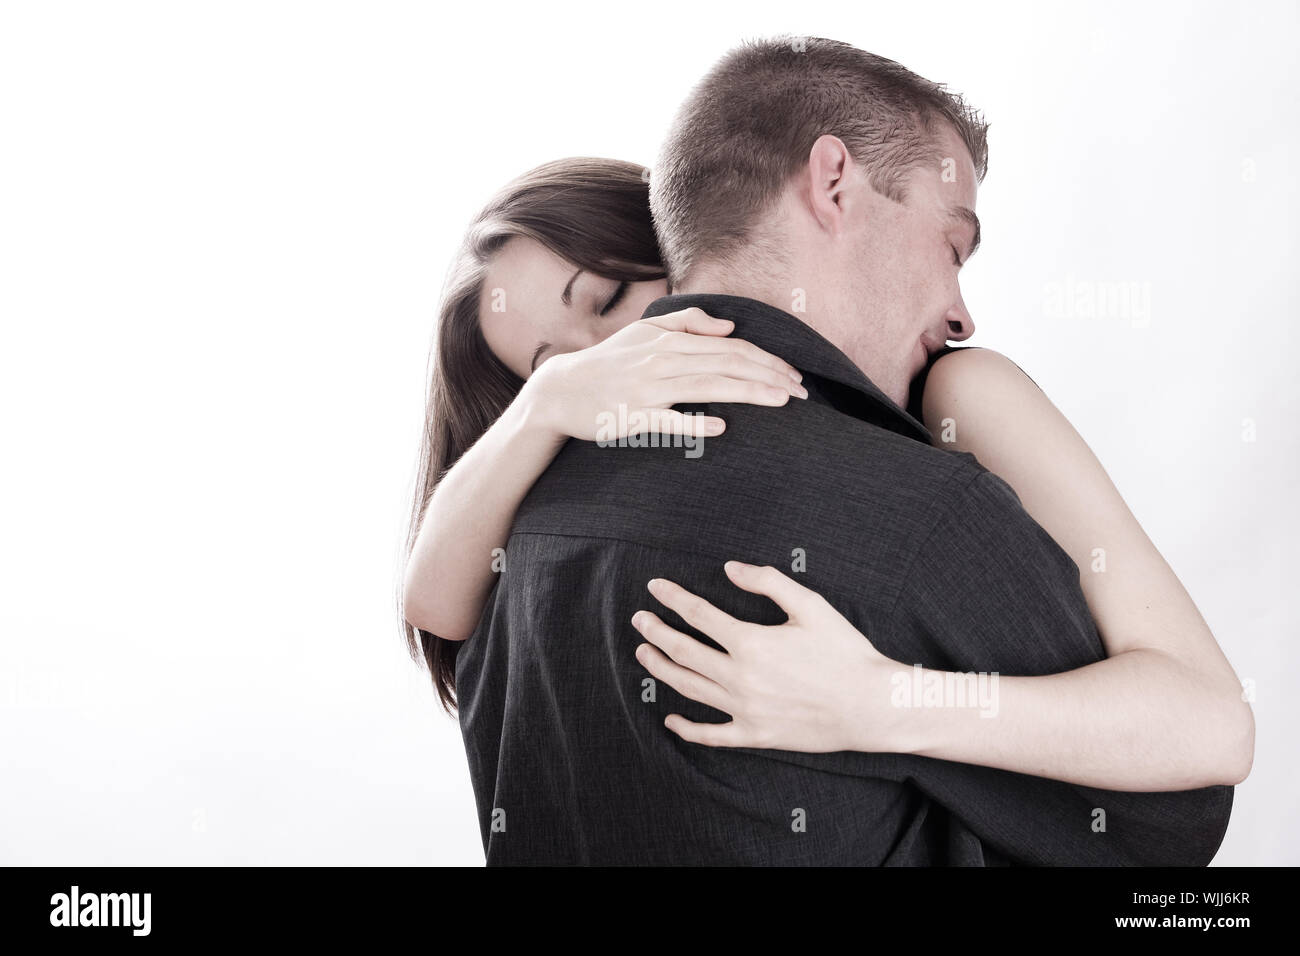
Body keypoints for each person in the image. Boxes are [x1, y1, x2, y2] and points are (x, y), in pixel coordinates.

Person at [403, 38, 1251, 864]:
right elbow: (1171, 810)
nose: (611, 356)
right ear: (835, 181)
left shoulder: (518, 551)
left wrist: (879, 705)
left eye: (614, 295)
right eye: (953, 245)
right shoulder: (918, 505)